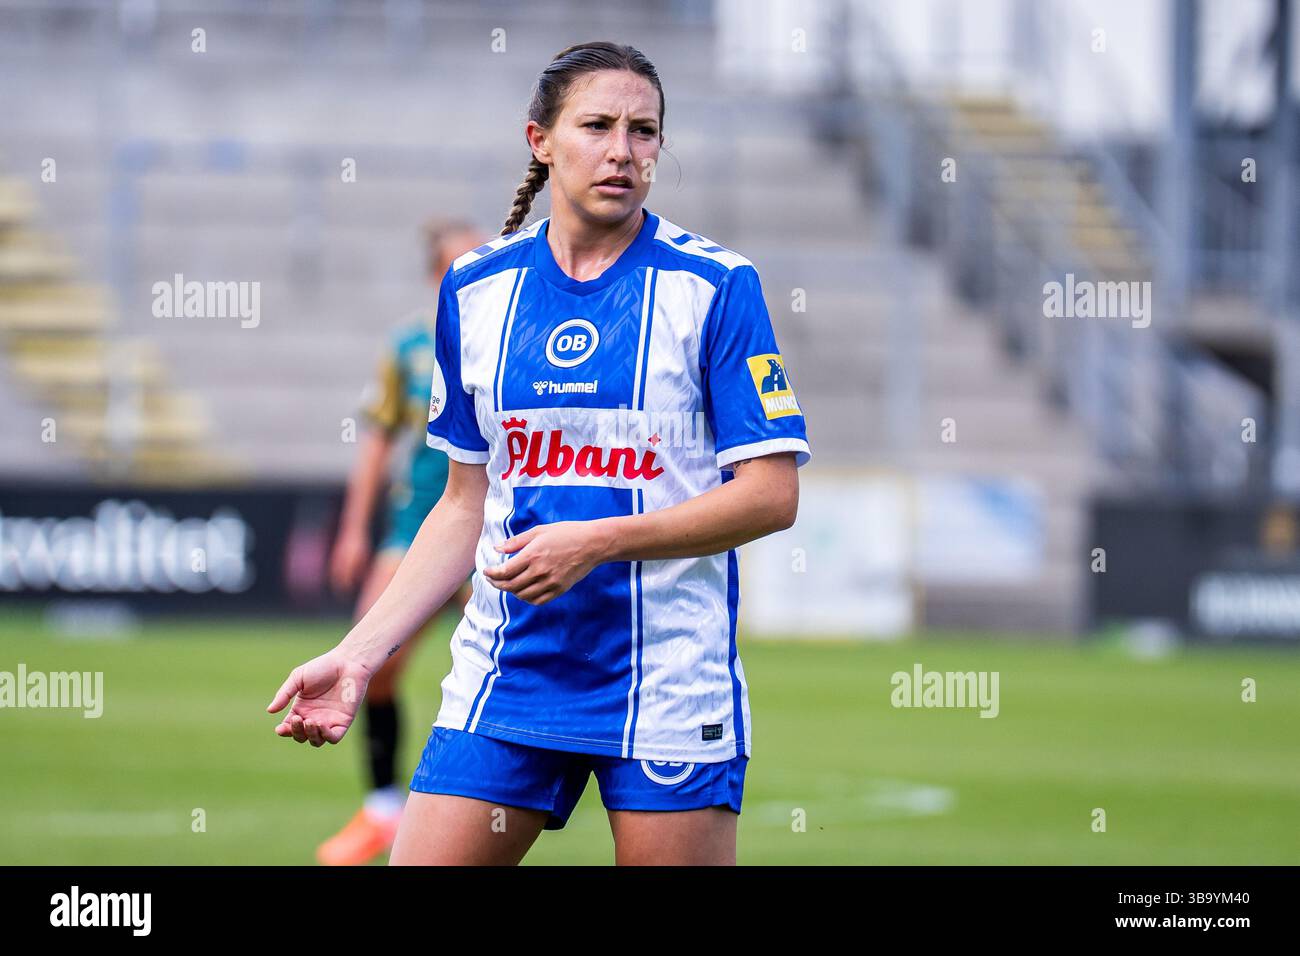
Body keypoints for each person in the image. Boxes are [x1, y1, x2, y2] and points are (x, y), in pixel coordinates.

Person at [268, 40, 811, 866]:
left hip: (667, 681)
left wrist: (598, 541)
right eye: (597, 126)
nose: (622, 151)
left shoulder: (717, 286)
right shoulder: (475, 290)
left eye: (643, 131)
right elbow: (463, 504)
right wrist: (357, 655)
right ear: (541, 141)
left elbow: (771, 495)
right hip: (506, 673)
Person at [314, 218, 486, 866]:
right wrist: (353, 531)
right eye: (457, 262)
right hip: (418, 519)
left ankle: (507, 797)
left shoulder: (510, 335)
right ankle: (382, 809)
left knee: (515, 661)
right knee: (373, 660)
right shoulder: (410, 346)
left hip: (493, 518)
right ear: (435, 274)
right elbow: (377, 442)